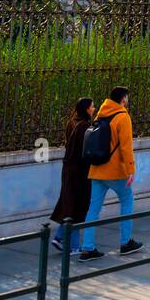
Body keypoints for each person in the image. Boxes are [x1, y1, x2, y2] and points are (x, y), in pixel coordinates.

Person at [79, 86, 143, 261]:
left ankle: (87, 248)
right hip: (115, 171)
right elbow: (125, 146)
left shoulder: (101, 114)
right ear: (123, 99)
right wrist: (130, 170)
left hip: (97, 169)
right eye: (127, 98)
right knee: (127, 201)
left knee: (93, 209)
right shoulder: (123, 117)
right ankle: (125, 242)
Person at [51, 98, 93, 252]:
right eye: (92, 106)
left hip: (68, 169)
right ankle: (70, 244)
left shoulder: (72, 122)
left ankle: (62, 239)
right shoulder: (84, 126)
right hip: (80, 172)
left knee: (70, 206)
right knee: (78, 207)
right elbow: (85, 151)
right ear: (87, 109)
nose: (94, 109)